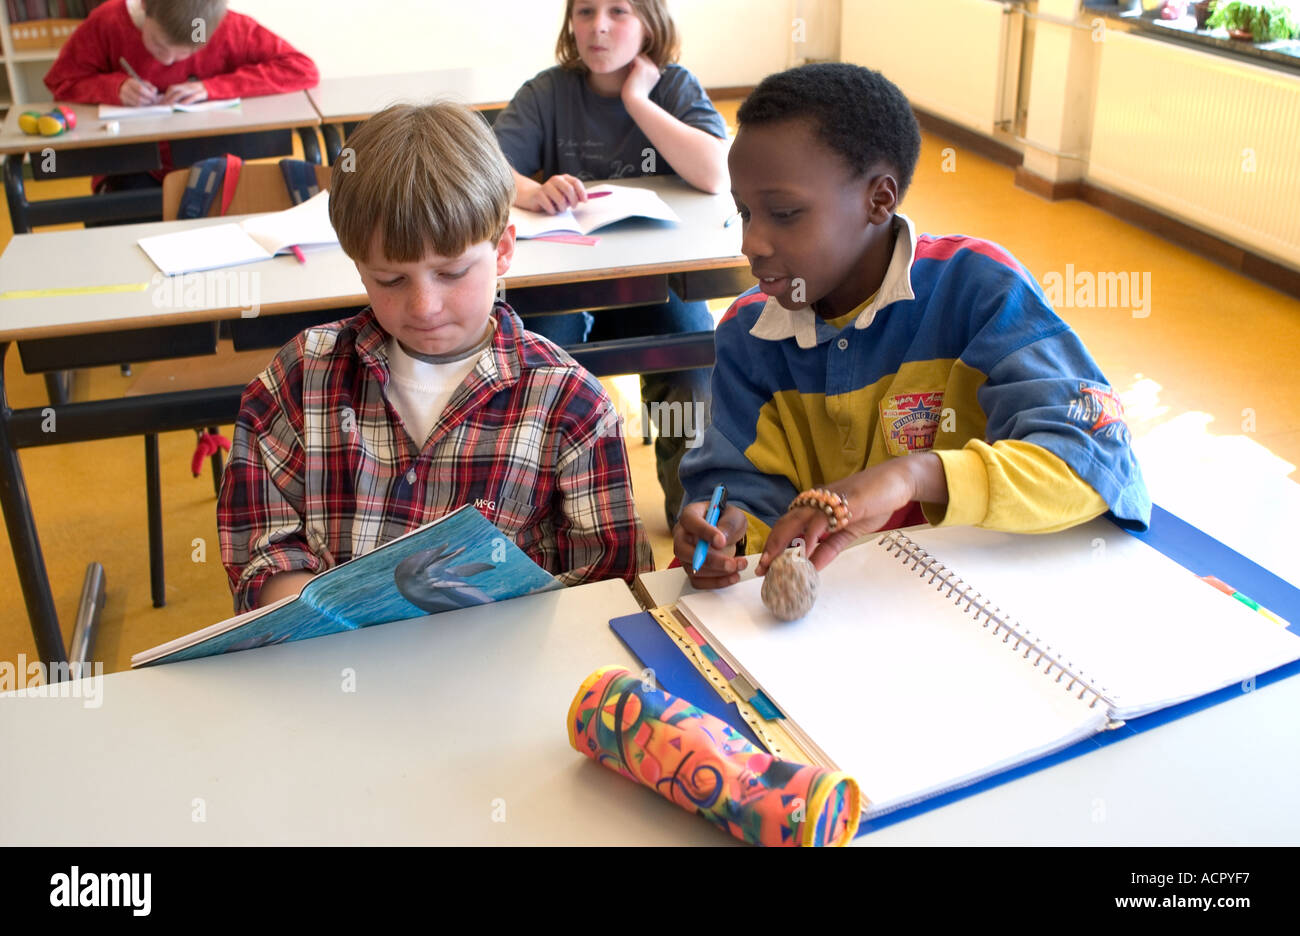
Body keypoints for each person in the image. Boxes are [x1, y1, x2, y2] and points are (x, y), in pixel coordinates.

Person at [674, 63, 1150, 589]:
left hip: (981, 599)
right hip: (837, 617)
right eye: (743, 212)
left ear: (879, 200)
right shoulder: (749, 332)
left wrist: (914, 474)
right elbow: (737, 487)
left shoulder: (977, 289)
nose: (752, 243)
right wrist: (728, 531)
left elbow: (1097, 457)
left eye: (784, 213)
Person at [218, 102, 653, 612]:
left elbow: (611, 584)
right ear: (359, 268)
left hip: (502, 676)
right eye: (391, 279)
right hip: (336, 671)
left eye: (451, 273)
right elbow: (261, 548)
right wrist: (316, 622)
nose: (424, 307)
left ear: (504, 251)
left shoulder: (569, 403)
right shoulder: (298, 379)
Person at [492, 0, 729, 526]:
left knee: (691, 357)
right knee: (540, 362)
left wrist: (637, 99)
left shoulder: (673, 86)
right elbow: (487, 166)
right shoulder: (548, 91)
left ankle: (689, 513)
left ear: (649, 23)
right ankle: (550, 514)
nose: (597, 26)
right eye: (584, 11)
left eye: (618, 11)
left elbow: (716, 173)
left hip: (655, 281)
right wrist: (532, 190)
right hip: (566, 280)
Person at [44, 0, 318, 193]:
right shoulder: (108, 22)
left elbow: (301, 68)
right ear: (144, 6)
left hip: (212, 159)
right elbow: (61, 81)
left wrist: (212, 88)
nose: (170, 59)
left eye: (187, 52)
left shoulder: (230, 27)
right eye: (160, 45)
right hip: (131, 164)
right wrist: (114, 88)